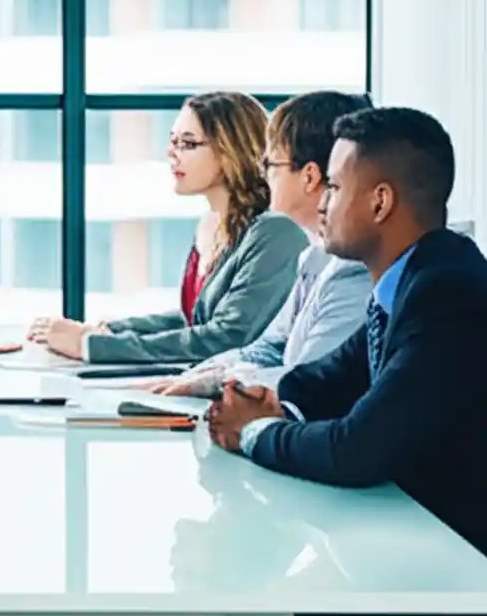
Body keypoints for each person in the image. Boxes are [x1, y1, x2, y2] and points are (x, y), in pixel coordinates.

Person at [207, 107, 487, 554]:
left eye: (334, 187)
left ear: (380, 202)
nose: (321, 202)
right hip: (417, 541)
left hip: (459, 565)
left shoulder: (446, 294)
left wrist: (254, 431)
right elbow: (334, 376)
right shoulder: (409, 281)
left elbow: (357, 450)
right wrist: (271, 401)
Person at [31, 91, 308, 363]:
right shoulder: (210, 225)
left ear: (230, 151)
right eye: (172, 141)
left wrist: (92, 346)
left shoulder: (275, 233)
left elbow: (226, 337)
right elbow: (193, 319)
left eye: (188, 143)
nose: (172, 154)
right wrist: (105, 330)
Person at [150, 92, 374, 396]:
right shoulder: (314, 258)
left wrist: (215, 383)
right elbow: (266, 348)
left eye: (270, 163)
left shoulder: (350, 269)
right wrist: (198, 377)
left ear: (309, 177)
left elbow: (307, 383)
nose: (263, 174)